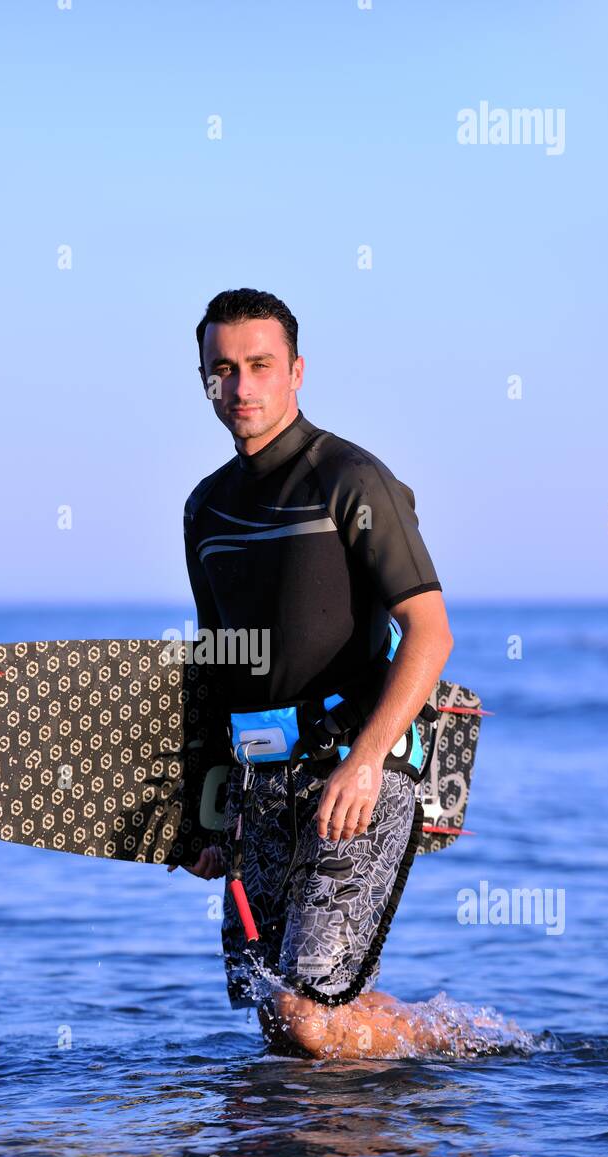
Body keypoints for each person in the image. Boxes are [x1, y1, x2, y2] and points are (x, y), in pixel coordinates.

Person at [177, 287, 458, 1061]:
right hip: (258, 784)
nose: (241, 387)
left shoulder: (350, 479)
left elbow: (430, 634)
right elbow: (215, 663)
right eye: (222, 369)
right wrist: (205, 811)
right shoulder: (207, 508)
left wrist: (368, 764)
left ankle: (470, 1059)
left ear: (296, 371)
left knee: (305, 1014)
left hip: (353, 777)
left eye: (259, 365)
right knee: (280, 1017)